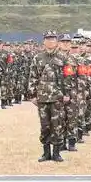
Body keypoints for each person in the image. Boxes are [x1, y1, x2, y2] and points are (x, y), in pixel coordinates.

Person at [28, 30, 68, 162]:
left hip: (57, 97)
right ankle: (46, 153)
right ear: (44, 41)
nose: (50, 41)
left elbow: (69, 77)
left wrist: (67, 94)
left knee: (57, 125)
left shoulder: (63, 58)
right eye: (48, 39)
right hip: (43, 98)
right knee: (44, 125)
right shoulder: (38, 58)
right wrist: (32, 94)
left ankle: (56, 152)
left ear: (56, 41)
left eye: (53, 39)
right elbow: (33, 77)